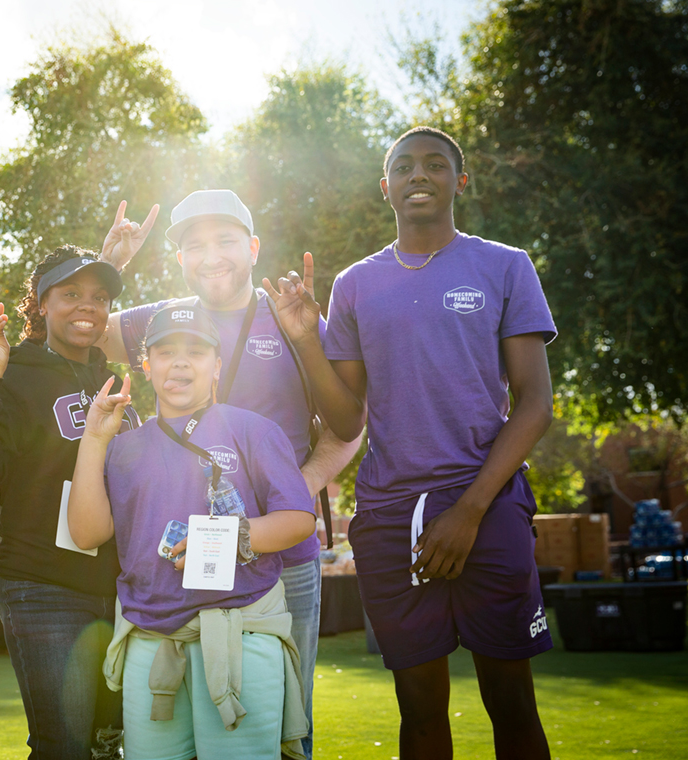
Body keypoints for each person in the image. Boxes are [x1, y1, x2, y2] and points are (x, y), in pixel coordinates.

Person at [264, 126, 556, 760]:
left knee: (511, 703)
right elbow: (347, 422)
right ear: (386, 187)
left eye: (434, 164)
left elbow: (536, 404)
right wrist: (306, 340)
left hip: (487, 503)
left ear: (460, 180)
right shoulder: (355, 284)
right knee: (419, 712)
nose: (418, 174)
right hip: (392, 515)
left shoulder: (505, 265)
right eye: (403, 167)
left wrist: (470, 511)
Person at [95, 194, 362, 757]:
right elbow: (79, 329)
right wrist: (110, 265)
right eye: (194, 245)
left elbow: (351, 425)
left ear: (254, 247)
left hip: (282, 559)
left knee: (286, 729)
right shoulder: (160, 320)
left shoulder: (294, 316)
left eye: (225, 240)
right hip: (177, 566)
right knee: (179, 732)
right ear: (179, 259)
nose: (210, 256)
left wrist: (297, 491)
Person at [68, 307, 317, 760]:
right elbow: (86, 533)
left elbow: (299, 519)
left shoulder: (253, 429)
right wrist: (94, 440)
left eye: (196, 351)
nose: (180, 362)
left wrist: (223, 538)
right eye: (166, 352)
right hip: (151, 636)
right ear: (146, 366)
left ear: (216, 366)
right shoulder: (122, 446)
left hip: (240, 632)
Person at [0, 246, 137, 760]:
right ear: (41, 303)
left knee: (112, 745)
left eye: (100, 297)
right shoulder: (14, 373)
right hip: (46, 587)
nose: (88, 306)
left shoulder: (115, 381)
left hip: (123, 590)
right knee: (65, 747)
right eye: (70, 293)